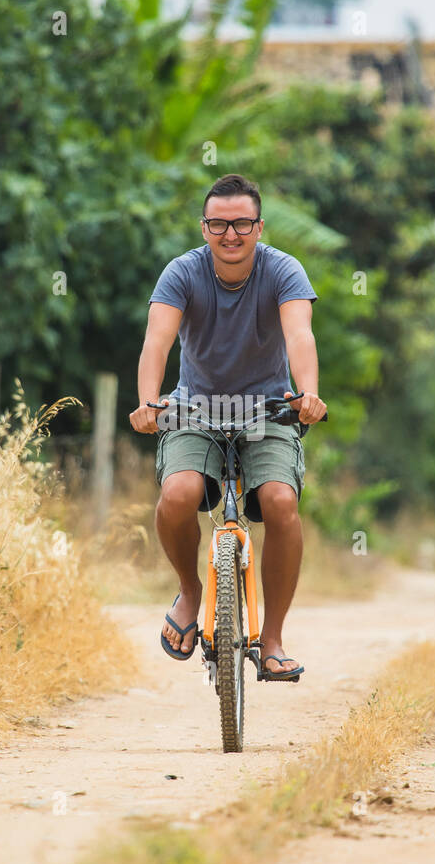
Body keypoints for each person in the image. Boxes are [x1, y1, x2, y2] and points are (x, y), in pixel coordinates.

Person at [129, 173, 326, 680]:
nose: (230, 235)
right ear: (204, 228)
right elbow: (157, 341)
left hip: (269, 410)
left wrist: (307, 394)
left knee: (281, 502)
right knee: (178, 494)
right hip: (195, 409)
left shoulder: (284, 271)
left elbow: (299, 334)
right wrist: (148, 402)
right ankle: (191, 592)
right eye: (219, 224)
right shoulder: (181, 273)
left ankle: (275, 638)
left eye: (241, 224)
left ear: (259, 227)